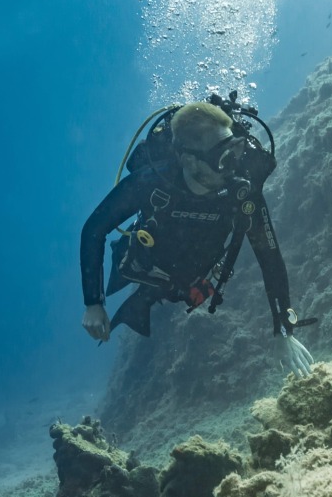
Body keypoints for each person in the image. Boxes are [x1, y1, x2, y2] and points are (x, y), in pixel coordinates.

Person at [79, 95, 314, 378]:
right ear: (188, 159)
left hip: (193, 277)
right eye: (223, 157)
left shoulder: (242, 191)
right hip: (147, 265)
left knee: (174, 289)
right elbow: (93, 229)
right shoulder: (151, 182)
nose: (234, 165)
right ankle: (144, 296)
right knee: (142, 276)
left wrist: (284, 329)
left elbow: (270, 256)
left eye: (236, 149)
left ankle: (152, 298)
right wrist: (93, 302)